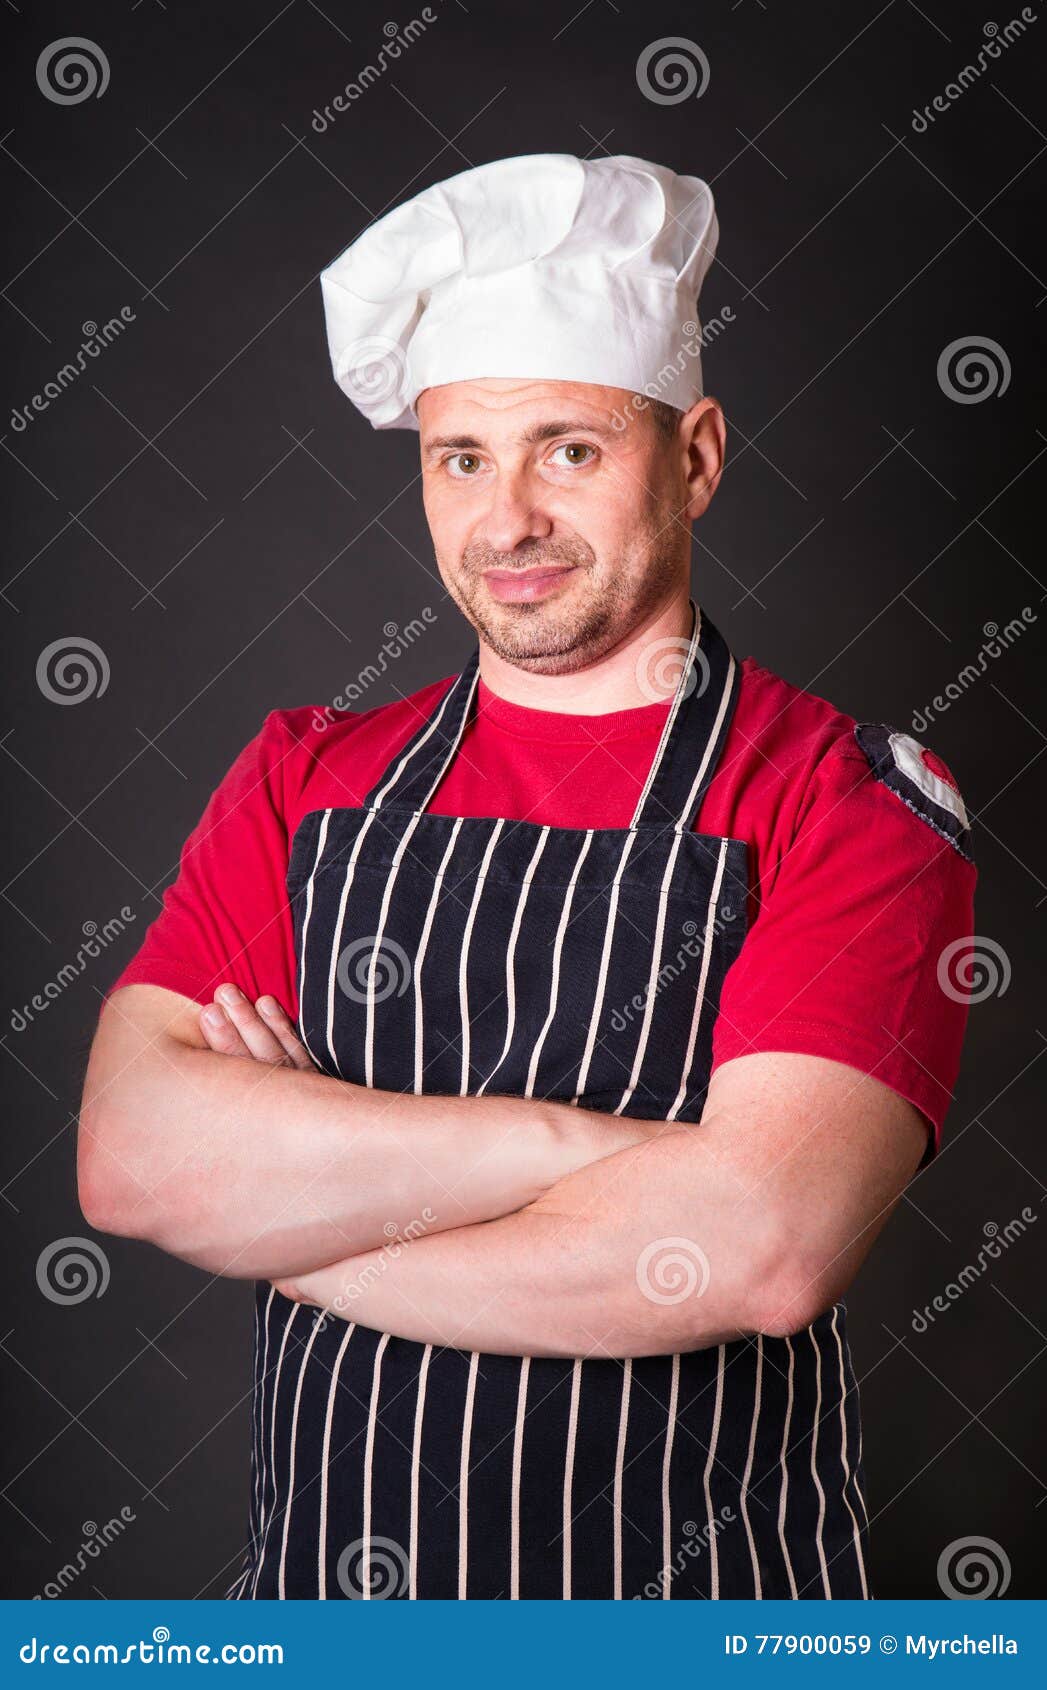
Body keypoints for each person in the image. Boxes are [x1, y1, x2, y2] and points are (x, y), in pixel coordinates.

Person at [78, 153, 977, 1601]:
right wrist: (577, 1153)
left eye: (569, 447)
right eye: (463, 458)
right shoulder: (308, 776)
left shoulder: (844, 798)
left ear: (693, 456)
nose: (508, 522)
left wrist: (298, 1226)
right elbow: (131, 1154)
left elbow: (759, 1246)